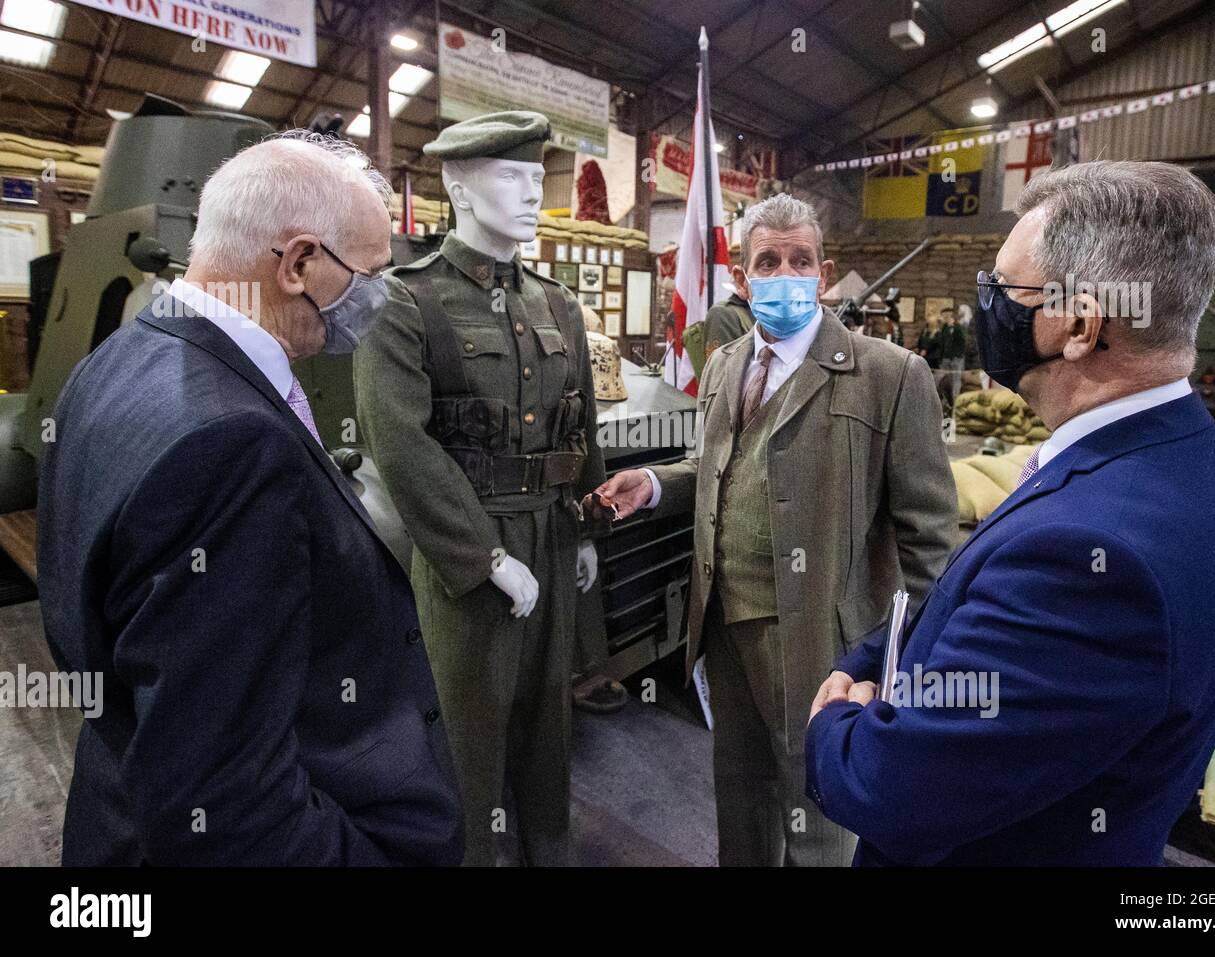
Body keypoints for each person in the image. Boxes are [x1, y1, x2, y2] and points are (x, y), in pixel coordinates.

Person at [806, 160, 1215, 866]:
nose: (988, 304)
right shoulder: (1182, 453)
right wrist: (875, 655)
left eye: (1004, 289)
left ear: (1079, 324)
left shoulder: (1093, 559)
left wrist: (834, 720)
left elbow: (892, 789)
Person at [38, 132, 463, 865]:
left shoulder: (115, 361)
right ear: (299, 264)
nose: (378, 301)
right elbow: (229, 809)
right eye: (370, 277)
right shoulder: (233, 445)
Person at [595, 193, 956, 866]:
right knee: (741, 796)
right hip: (726, 622)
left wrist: (900, 663)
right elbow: (715, 462)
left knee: (821, 816)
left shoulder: (889, 376)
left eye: (800, 260)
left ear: (823, 274)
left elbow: (930, 542)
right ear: (740, 275)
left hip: (824, 640)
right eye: (768, 260)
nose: (785, 274)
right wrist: (652, 484)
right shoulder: (728, 363)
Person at [353, 111, 604, 866]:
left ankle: (546, 851)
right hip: (469, 546)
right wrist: (485, 559)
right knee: (469, 727)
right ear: (459, 185)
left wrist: (586, 522)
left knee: (547, 722)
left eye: (538, 178)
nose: (533, 194)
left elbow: (579, 420)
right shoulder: (405, 301)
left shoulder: (556, 302)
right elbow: (400, 444)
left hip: (553, 536)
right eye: (512, 178)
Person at [934, 306, 966, 408]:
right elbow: (942, 343)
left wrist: (957, 355)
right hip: (945, 359)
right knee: (943, 380)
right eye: (942, 315)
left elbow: (962, 343)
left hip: (956, 359)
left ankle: (955, 403)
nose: (943, 317)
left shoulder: (958, 327)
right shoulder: (944, 328)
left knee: (955, 380)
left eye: (945, 315)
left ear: (950, 315)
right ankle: (944, 402)